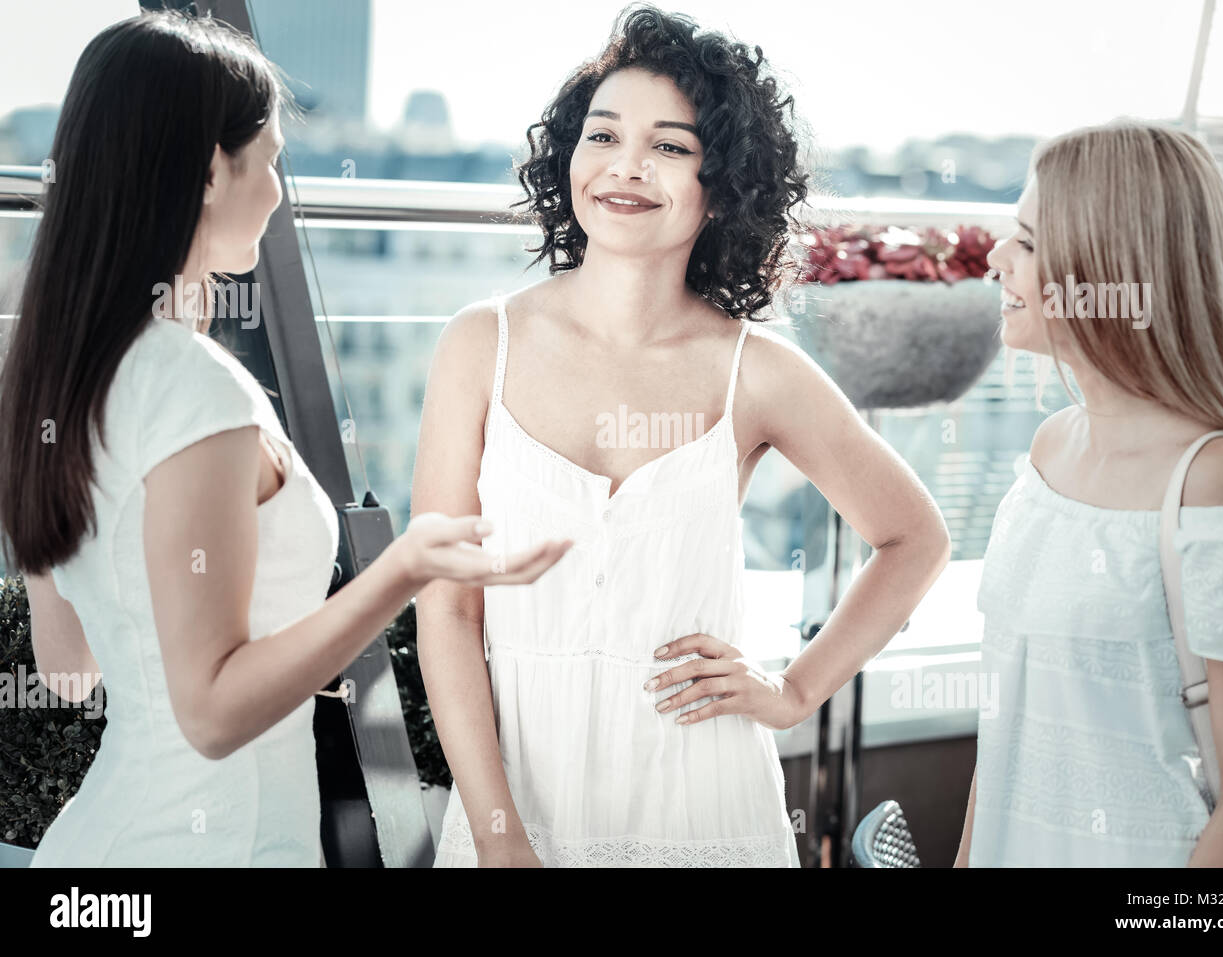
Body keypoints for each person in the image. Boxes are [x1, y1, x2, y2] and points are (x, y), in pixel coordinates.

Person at [0, 10, 571, 868]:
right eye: (269, 161)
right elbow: (214, 713)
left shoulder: (62, 374)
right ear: (206, 173)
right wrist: (405, 568)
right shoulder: (199, 392)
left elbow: (71, 665)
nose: (276, 191)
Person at [414, 4, 951, 867]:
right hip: (516, 805)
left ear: (722, 184)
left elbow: (915, 537)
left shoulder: (758, 372)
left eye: (669, 146)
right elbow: (445, 605)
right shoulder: (480, 344)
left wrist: (795, 687)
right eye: (603, 136)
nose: (626, 167)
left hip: (705, 805)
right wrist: (497, 834)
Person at [957, 119, 1223, 867]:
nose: (997, 257)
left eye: (1027, 240)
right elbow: (1006, 727)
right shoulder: (1050, 448)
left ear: (1107, 264)